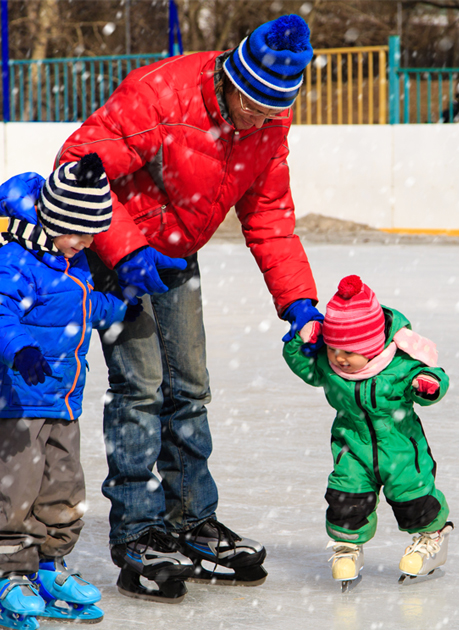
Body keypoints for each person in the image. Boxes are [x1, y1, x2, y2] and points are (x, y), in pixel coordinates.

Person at [48, 14, 324, 600]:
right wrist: (124, 254)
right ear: (231, 76)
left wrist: (300, 302)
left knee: (190, 387)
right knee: (142, 387)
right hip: (112, 248)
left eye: (271, 110)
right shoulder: (162, 95)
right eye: (250, 103)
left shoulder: (269, 123)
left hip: (174, 258)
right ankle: (138, 530)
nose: (257, 118)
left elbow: (269, 215)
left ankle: (190, 519)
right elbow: (77, 167)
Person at [0, 154, 133, 628]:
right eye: (78, 233)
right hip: (14, 399)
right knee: (15, 491)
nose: (85, 244)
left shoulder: (69, 258)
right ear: (54, 220)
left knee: (63, 488)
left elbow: (80, 303)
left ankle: (50, 568)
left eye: (91, 235)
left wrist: (119, 307)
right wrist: (21, 350)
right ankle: (10, 577)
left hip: (60, 400)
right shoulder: (17, 257)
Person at [281, 275, 454, 590]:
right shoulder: (329, 366)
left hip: (401, 449)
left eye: (348, 352)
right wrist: (301, 338)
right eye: (333, 349)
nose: (339, 359)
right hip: (352, 447)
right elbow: (303, 365)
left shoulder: (398, 365)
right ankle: (347, 548)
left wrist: (427, 385)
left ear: (372, 347)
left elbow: (432, 376)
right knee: (346, 499)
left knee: (413, 499)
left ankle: (432, 539)